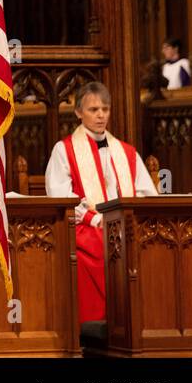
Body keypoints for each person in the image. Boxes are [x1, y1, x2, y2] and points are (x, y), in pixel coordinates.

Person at [44, 82, 157, 323]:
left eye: (105, 109)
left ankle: (144, 322)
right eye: (93, 109)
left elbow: (147, 194)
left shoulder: (126, 152)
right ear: (78, 112)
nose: (101, 115)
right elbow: (61, 199)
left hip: (125, 225)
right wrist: (95, 218)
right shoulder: (63, 150)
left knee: (150, 249)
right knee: (97, 249)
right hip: (86, 225)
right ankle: (100, 324)